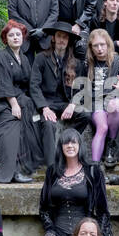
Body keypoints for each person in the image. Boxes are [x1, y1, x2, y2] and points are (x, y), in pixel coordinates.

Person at [34, 128, 112, 236]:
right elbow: (44, 208)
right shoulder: (52, 171)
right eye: (66, 143)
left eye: (73, 142)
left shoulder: (93, 171)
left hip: (84, 232)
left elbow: (102, 208)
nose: (70, 146)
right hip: (59, 232)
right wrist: (50, 230)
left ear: (80, 145)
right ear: (61, 147)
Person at [0, 19, 40, 184]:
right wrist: (14, 105)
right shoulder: (2, 57)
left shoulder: (23, 58)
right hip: (3, 104)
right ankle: (13, 171)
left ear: (23, 37)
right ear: (6, 39)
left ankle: (24, 167)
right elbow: (4, 84)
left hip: (21, 100)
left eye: (18, 34)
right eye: (11, 35)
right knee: (16, 129)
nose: (15, 37)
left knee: (33, 123)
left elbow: (30, 83)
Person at [30, 21, 85, 166]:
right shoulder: (41, 58)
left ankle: (68, 140)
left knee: (85, 115)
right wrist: (44, 108)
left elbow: (81, 88)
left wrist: (73, 104)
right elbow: (34, 86)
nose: (62, 40)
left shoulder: (76, 63)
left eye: (65, 38)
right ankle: (51, 167)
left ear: (69, 41)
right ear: (53, 38)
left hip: (65, 103)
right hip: (47, 103)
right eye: (59, 36)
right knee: (48, 125)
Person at [79, 28, 119, 164]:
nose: (100, 49)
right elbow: (82, 87)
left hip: (115, 101)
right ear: (91, 47)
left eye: (103, 44)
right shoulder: (87, 63)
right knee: (102, 127)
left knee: (115, 105)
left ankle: (111, 145)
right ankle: (95, 166)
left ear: (108, 44)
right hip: (96, 103)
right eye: (96, 45)